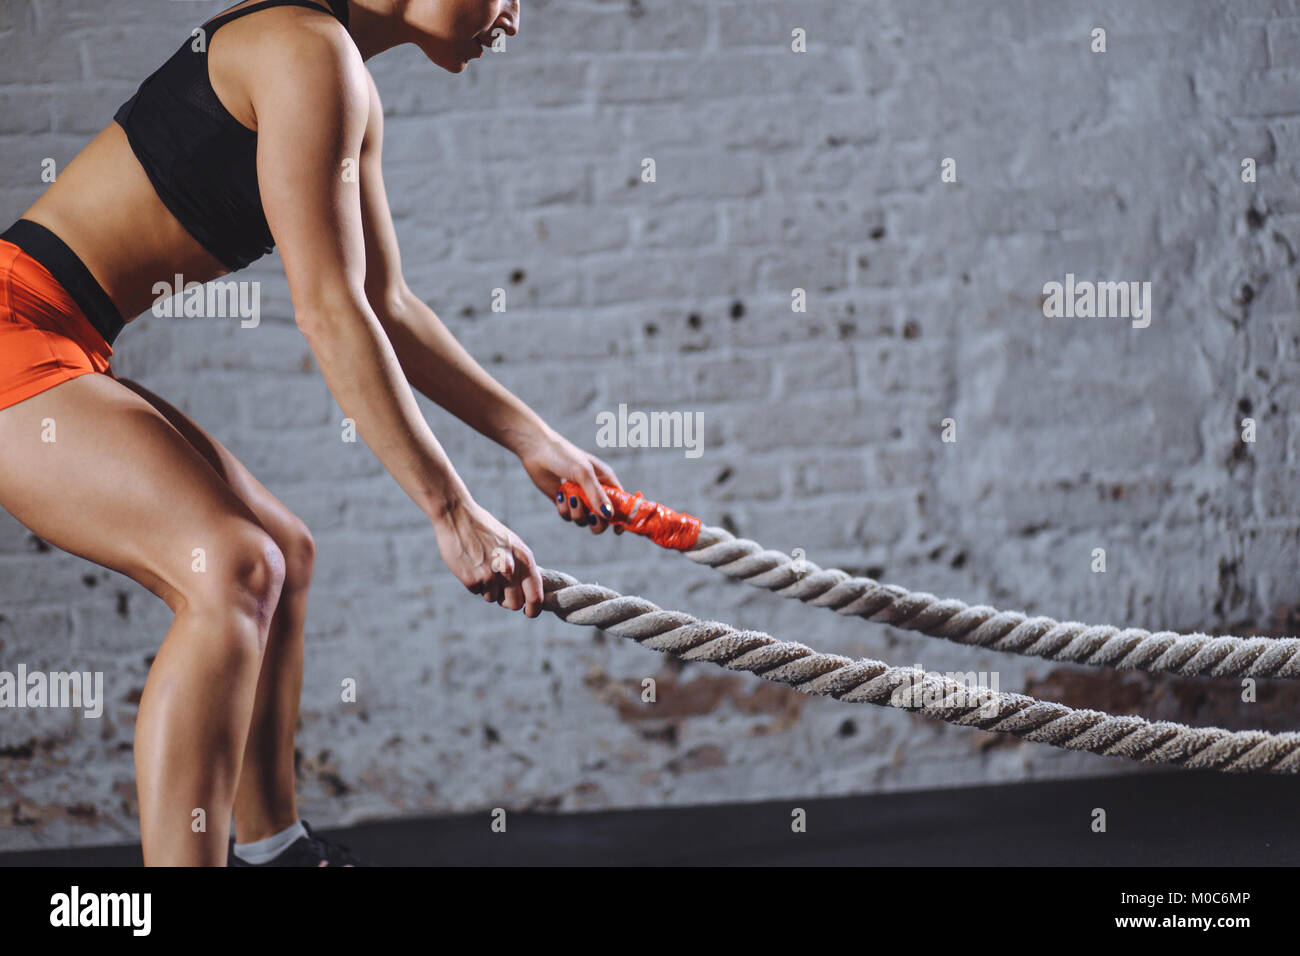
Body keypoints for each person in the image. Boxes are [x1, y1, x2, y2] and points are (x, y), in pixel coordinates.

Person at [0, 0, 622, 866]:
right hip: (15, 329)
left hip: (60, 338)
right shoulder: (304, 47)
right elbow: (329, 312)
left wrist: (531, 439)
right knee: (234, 566)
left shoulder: (339, 74)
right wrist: (451, 512)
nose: (514, 17)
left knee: (282, 552)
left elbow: (385, 308)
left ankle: (275, 851)